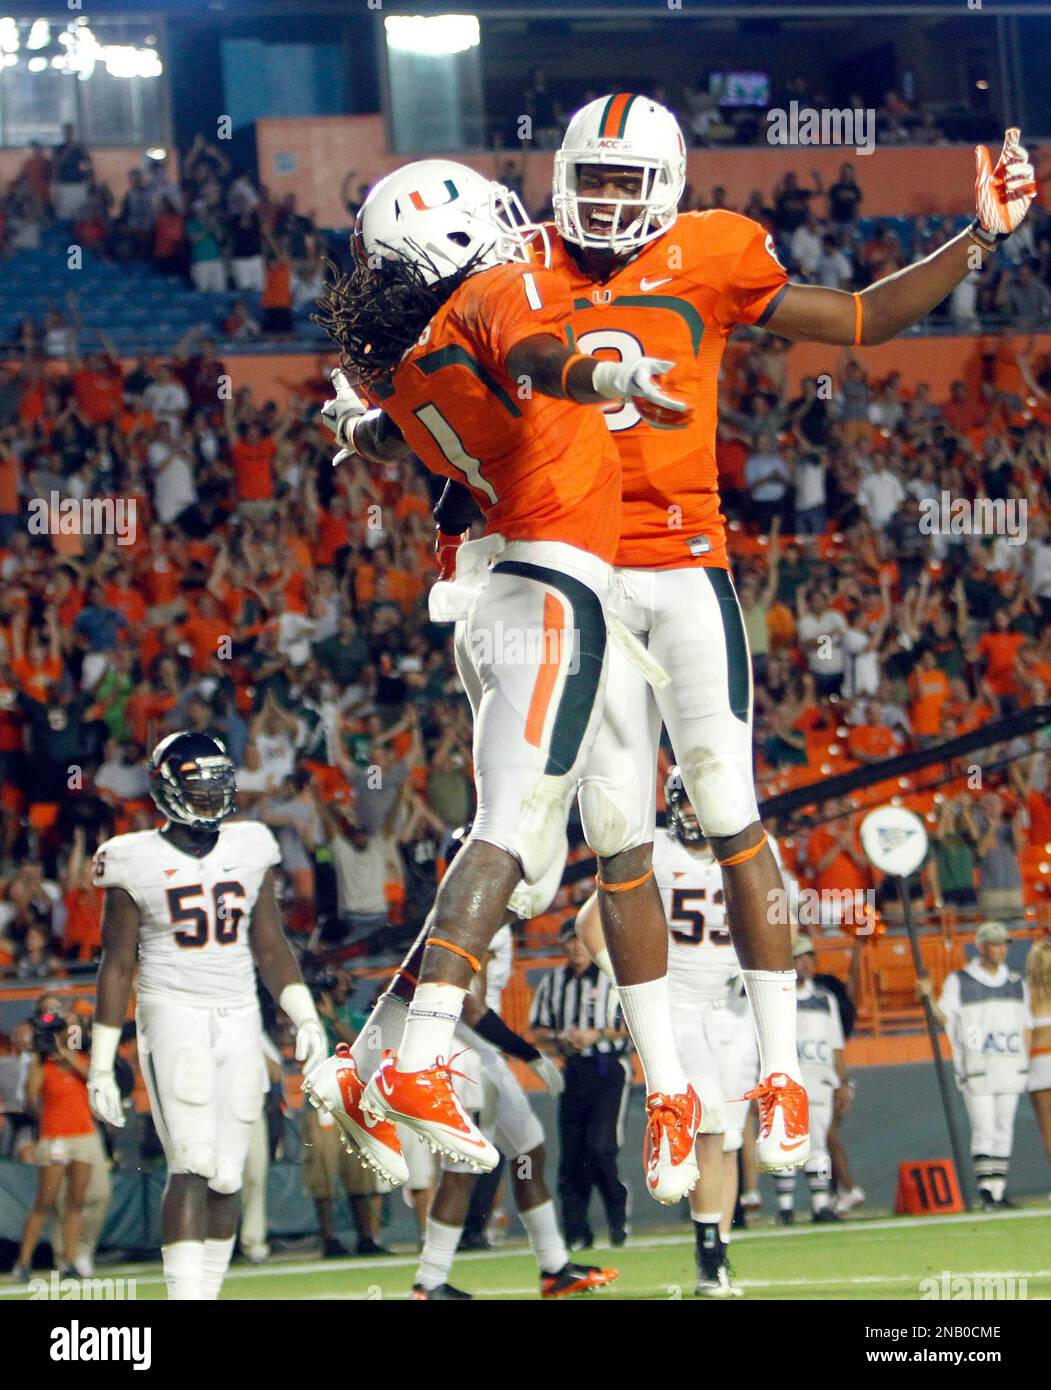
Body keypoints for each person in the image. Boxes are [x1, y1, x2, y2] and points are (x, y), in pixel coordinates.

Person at [313, 157, 696, 1198]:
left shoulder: (405, 361)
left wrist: (348, 426)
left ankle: (359, 1071)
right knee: (510, 833)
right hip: (547, 585)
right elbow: (539, 351)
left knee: (558, 845)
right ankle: (419, 1055)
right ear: (456, 233)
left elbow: (392, 431)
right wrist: (612, 377)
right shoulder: (490, 292)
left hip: (496, 590)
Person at [85, 730, 327, 1299]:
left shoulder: (250, 845)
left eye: (217, 783)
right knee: (191, 1161)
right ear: (166, 790)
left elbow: (270, 945)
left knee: (227, 1171)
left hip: (240, 1013)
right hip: (173, 1013)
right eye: (196, 786)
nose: (208, 797)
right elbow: (117, 966)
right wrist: (101, 1064)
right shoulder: (131, 857)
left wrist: (306, 1015)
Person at [577, 766, 758, 1296]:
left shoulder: (745, 852)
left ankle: (716, 1257)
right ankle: (707, 1257)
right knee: (707, 1128)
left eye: (704, 802)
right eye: (689, 802)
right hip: (678, 1006)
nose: (696, 814)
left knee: (725, 1146)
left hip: (735, 1012)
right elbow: (590, 927)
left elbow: (775, 927)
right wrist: (637, 989)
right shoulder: (655, 851)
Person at [530, 920, 632, 1253]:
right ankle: (577, 1232)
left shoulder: (613, 979)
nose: (575, 948)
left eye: (579, 942)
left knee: (600, 1148)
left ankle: (618, 1218)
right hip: (572, 1071)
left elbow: (632, 1024)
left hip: (607, 1069)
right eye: (569, 942)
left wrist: (598, 1034)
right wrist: (560, 1038)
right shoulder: (553, 982)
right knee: (572, 1157)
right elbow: (539, 1030)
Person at [920, 921, 1029, 1209]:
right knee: (984, 1129)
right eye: (995, 943)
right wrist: (928, 997)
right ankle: (985, 1190)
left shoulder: (1017, 982)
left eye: (1004, 943)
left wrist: (1024, 1059)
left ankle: (997, 1189)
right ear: (981, 947)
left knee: (1004, 1128)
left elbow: (1025, 1024)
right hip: (978, 1065)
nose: (1000, 949)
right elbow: (943, 1016)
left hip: (1009, 1063)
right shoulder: (961, 980)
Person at [12, 1000, 104, 1281]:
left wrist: (67, 1054)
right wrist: (42, 1058)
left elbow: (93, 1079)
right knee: (46, 1200)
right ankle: (24, 1263)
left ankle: (69, 1261)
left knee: (76, 1202)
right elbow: (30, 1098)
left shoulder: (81, 1057)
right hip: (56, 1138)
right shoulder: (44, 1063)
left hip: (83, 1135)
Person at [772, 937, 849, 1225]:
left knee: (818, 1144)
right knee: (786, 1143)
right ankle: (786, 1208)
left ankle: (820, 1205)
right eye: (798, 958)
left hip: (819, 1081)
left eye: (808, 958)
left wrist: (842, 1081)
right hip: (788, 1082)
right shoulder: (777, 998)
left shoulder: (825, 999)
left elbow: (835, 1045)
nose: (804, 963)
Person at [1025, 938, 1051, 1187]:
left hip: (1039, 1064)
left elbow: (1026, 1035)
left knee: (1049, 1131)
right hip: (1041, 1063)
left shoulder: (1027, 994)